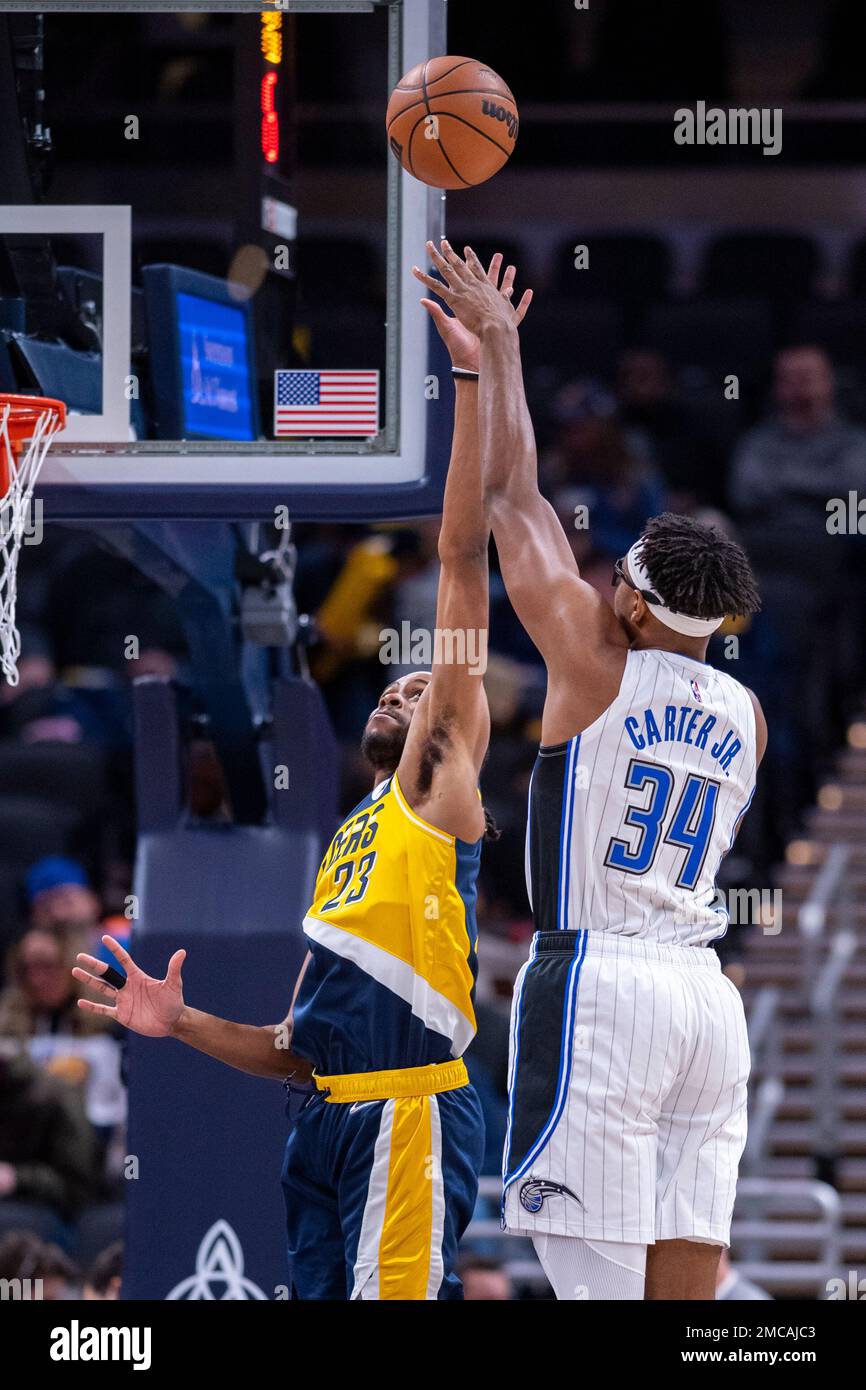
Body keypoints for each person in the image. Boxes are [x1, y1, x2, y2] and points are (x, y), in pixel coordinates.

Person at [71, 255, 531, 1301]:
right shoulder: (354, 832)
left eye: (425, 689)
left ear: (456, 727)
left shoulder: (434, 789)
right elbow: (293, 1048)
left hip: (406, 1107)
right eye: (396, 684)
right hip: (321, 1114)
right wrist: (177, 1022)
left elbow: (462, 560)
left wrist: (475, 374)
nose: (401, 690)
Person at [414, 239, 766, 1301]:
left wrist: (499, 349)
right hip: (706, 999)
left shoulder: (588, 656)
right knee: (688, 1283)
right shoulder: (746, 714)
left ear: (630, 598)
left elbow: (511, 497)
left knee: (591, 1291)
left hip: (602, 982)